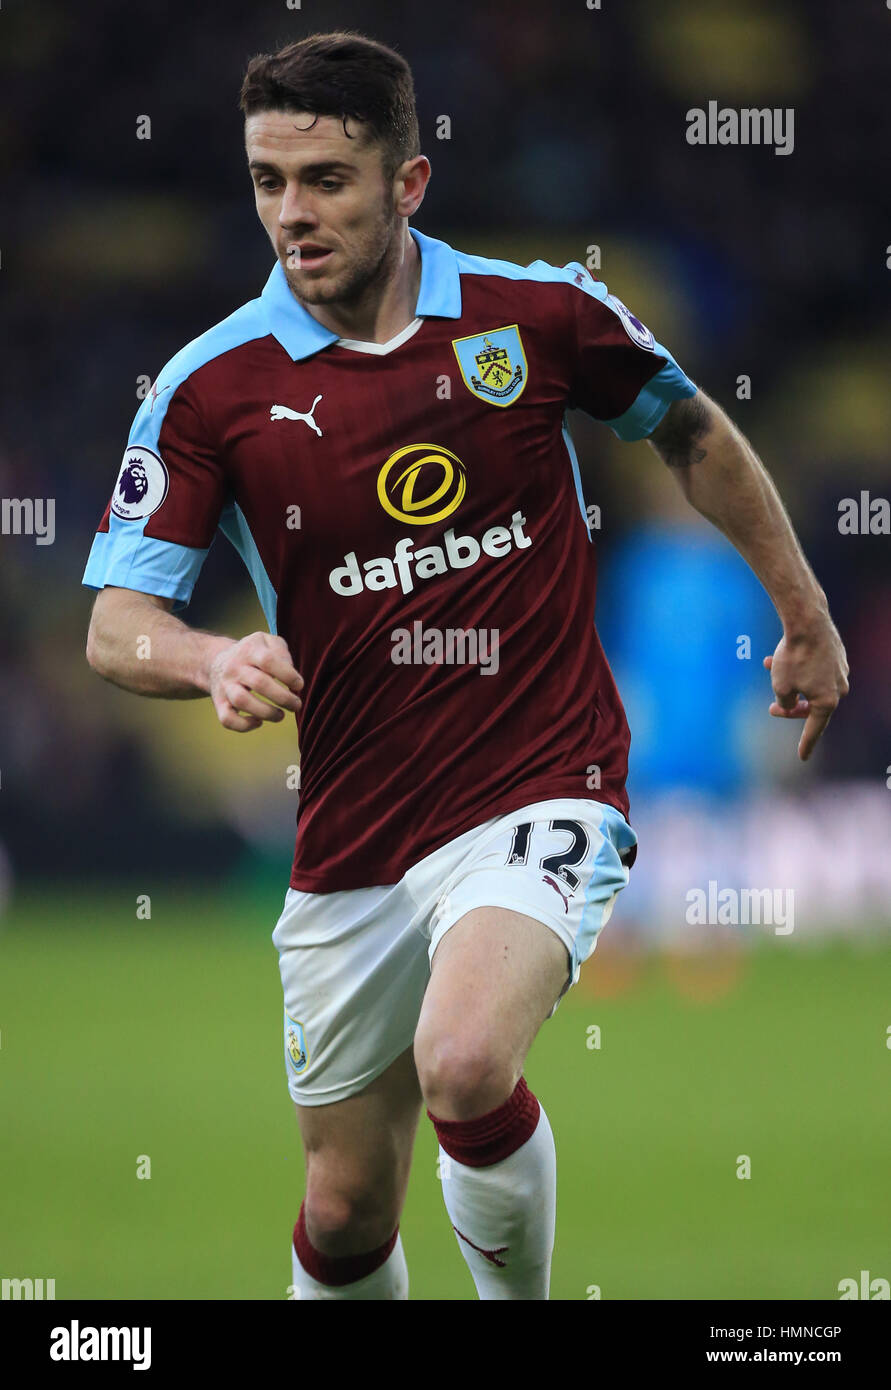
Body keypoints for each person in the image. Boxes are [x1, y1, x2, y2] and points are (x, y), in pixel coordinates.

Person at [83, 31, 849, 1300]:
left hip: (542, 777)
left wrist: (804, 611)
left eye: (326, 179)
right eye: (268, 180)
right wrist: (209, 658)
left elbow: (694, 429)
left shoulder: (536, 315)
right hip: (356, 829)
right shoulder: (209, 389)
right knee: (341, 1211)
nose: (292, 213)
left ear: (409, 183)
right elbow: (117, 623)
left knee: (464, 1061)